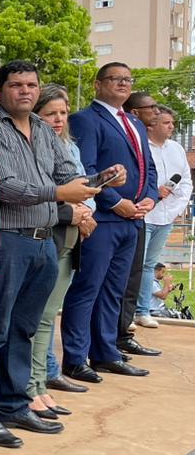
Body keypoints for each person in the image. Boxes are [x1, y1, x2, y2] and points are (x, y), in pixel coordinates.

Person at [0, 61, 99, 448]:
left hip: (44, 241)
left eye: (31, 85)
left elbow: (62, 175)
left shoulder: (42, 129)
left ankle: (14, 404)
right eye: (17, 85)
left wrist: (100, 179)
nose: (25, 91)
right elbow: (4, 186)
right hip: (8, 239)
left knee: (23, 328)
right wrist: (60, 194)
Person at [61, 63, 157, 383]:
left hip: (133, 221)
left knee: (114, 291)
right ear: (97, 84)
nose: (123, 84)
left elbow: (149, 169)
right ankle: (75, 358)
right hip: (102, 219)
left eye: (128, 80)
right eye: (115, 79)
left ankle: (105, 353)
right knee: (88, 288)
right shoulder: (85, 120)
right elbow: (84, 171)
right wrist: (116, 203)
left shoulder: (135, 122)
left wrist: (149, 199)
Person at [25, 85, 97, 412]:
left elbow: (82, 189)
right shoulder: (33, 147)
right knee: (35, 317)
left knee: (48, 316)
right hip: (48, 234)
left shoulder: (69, 146)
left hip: (71, 236)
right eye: (49, 113)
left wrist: (86, 210)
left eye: (63, 113)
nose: (57, 119)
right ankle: (29, 386)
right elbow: (43, 195)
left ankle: (40, 383)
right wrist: (73, 211)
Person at [114, 91, 164, 357]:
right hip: (115, 215)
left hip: (139, 216)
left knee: (132, 279)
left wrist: (150, 197)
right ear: (135, 112)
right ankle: (105, 340)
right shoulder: (121, 133)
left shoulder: (139, 134)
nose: (156, 112)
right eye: (151, 108)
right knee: (113, 285)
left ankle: (122, 335)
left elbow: (150, 173)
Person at [136, 105, 192, 328]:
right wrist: (153, 194)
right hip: (143, 215)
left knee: (149, 265)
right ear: (152, 125)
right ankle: (129, 311)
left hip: (166, 217)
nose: (172, 127)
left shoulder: (176, 149)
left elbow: (185, 181)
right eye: (166, 123)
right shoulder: (141, 147)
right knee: (135, 265)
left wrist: (175, 208)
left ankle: (143, 311)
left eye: (172, 123)